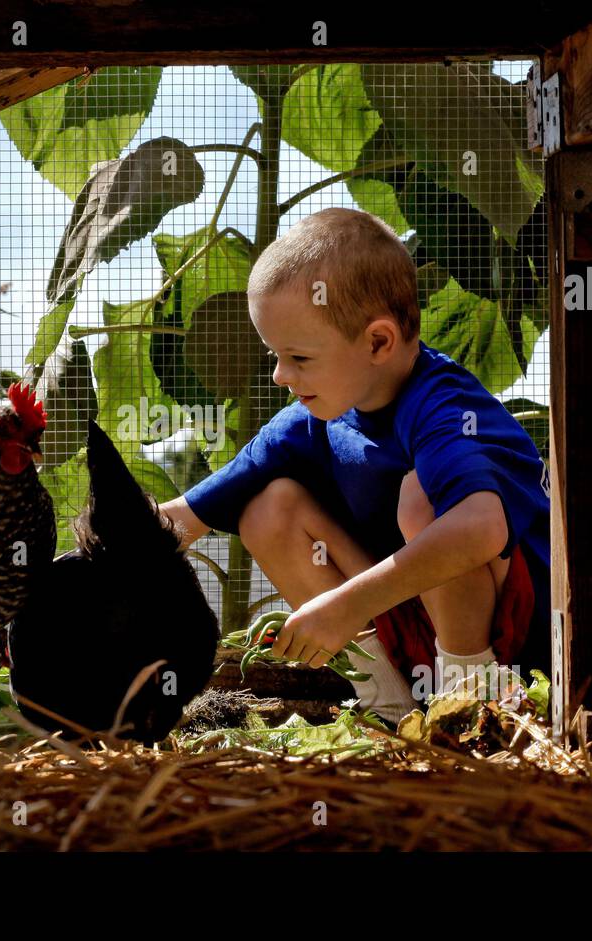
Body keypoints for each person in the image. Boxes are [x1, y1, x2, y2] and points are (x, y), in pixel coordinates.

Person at [158, 207, 550, 724]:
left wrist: (345, 607)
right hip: (413, 629)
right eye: (275, 355)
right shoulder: (311, 417)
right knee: (266, 508)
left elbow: (480, 527)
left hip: (522, 642)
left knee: (423, 500)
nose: (279, 375)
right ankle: (389, 711)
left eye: (298, 357)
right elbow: (182, 519)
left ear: (378, 342)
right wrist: (74, 571)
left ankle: (472, 708)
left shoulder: (442, 406)